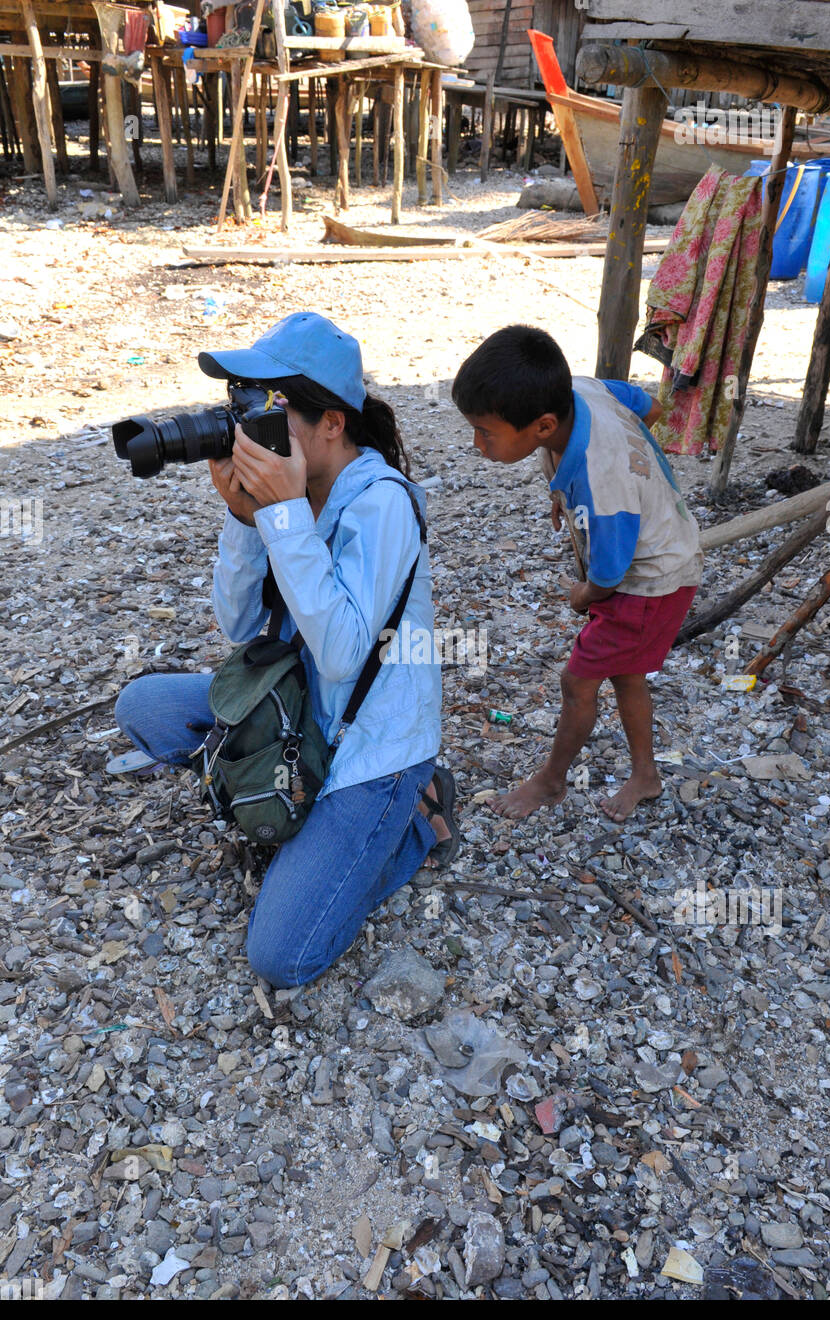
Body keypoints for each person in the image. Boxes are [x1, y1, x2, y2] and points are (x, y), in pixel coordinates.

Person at [114, 312, 457, 987]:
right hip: (296, 708)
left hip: (372, 750)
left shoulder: (381, 504)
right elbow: (241, 630)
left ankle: (415, 820)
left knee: (281, 957)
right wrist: (245, 520)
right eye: (245, 402)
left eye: (272, 407)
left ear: (333, 422)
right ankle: (300, 806)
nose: (250, 424)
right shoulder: (289, 492)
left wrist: (281, 514)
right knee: (144, 706)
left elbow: (341, 655)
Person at [451, 324, 703, 823]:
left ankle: (550, 781)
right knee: (627, 674)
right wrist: (567, 490)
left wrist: (583, 595)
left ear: (543, 426)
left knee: (577, 682)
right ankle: (646, 775)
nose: (478, 444)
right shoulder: (582, 390)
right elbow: (645, 406)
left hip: (646, 581)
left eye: (486, 432)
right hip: (665, 555)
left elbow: (610, 571)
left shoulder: (601, 481)